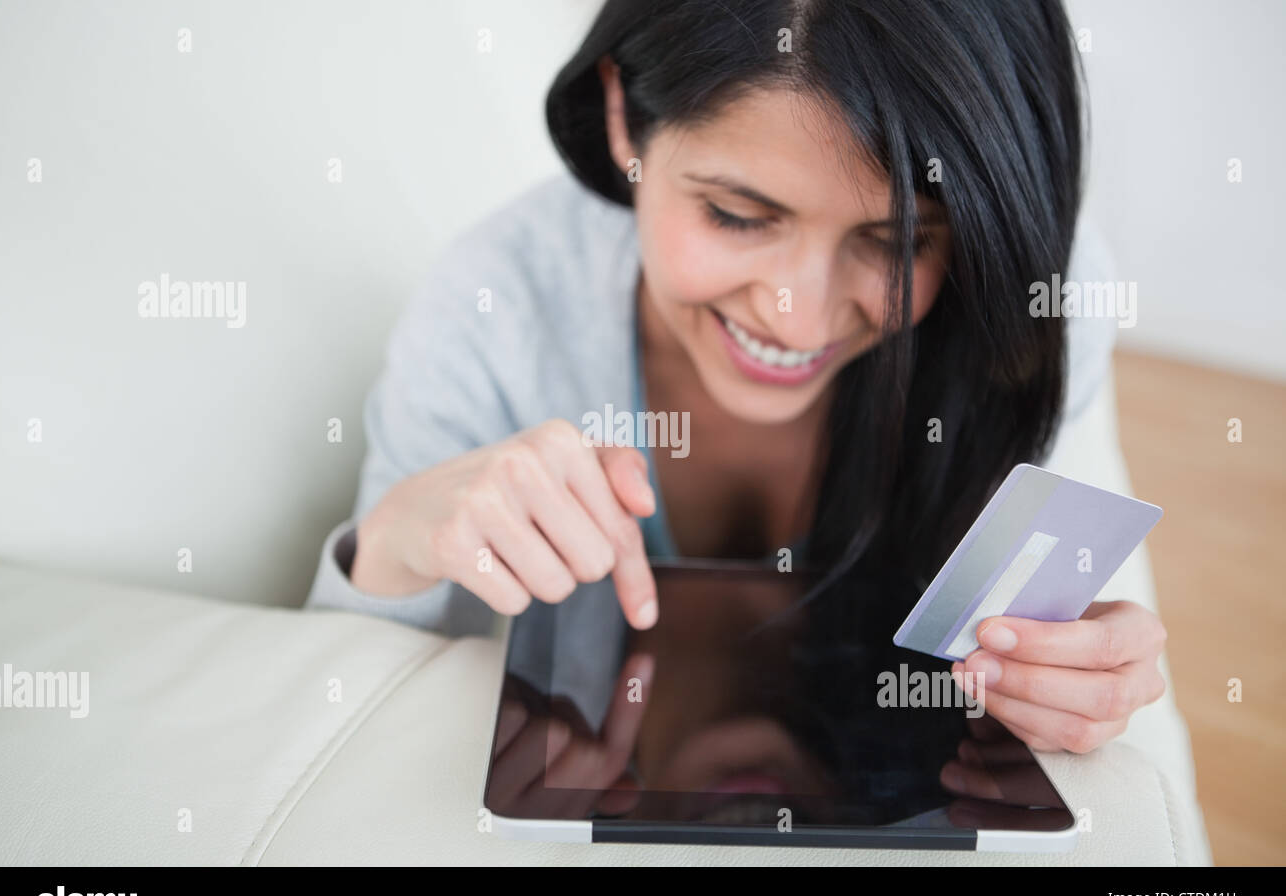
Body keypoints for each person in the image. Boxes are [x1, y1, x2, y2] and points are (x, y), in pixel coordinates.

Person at [306, 0, 1167, 755]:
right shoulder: (494, 310)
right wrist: (393, 541)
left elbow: (999, 634)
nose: (797, 317)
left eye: (900, 242)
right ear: (623, 118)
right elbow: (332, 725)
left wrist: (1069, 675)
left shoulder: (1034, 304)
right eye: (737, 215)